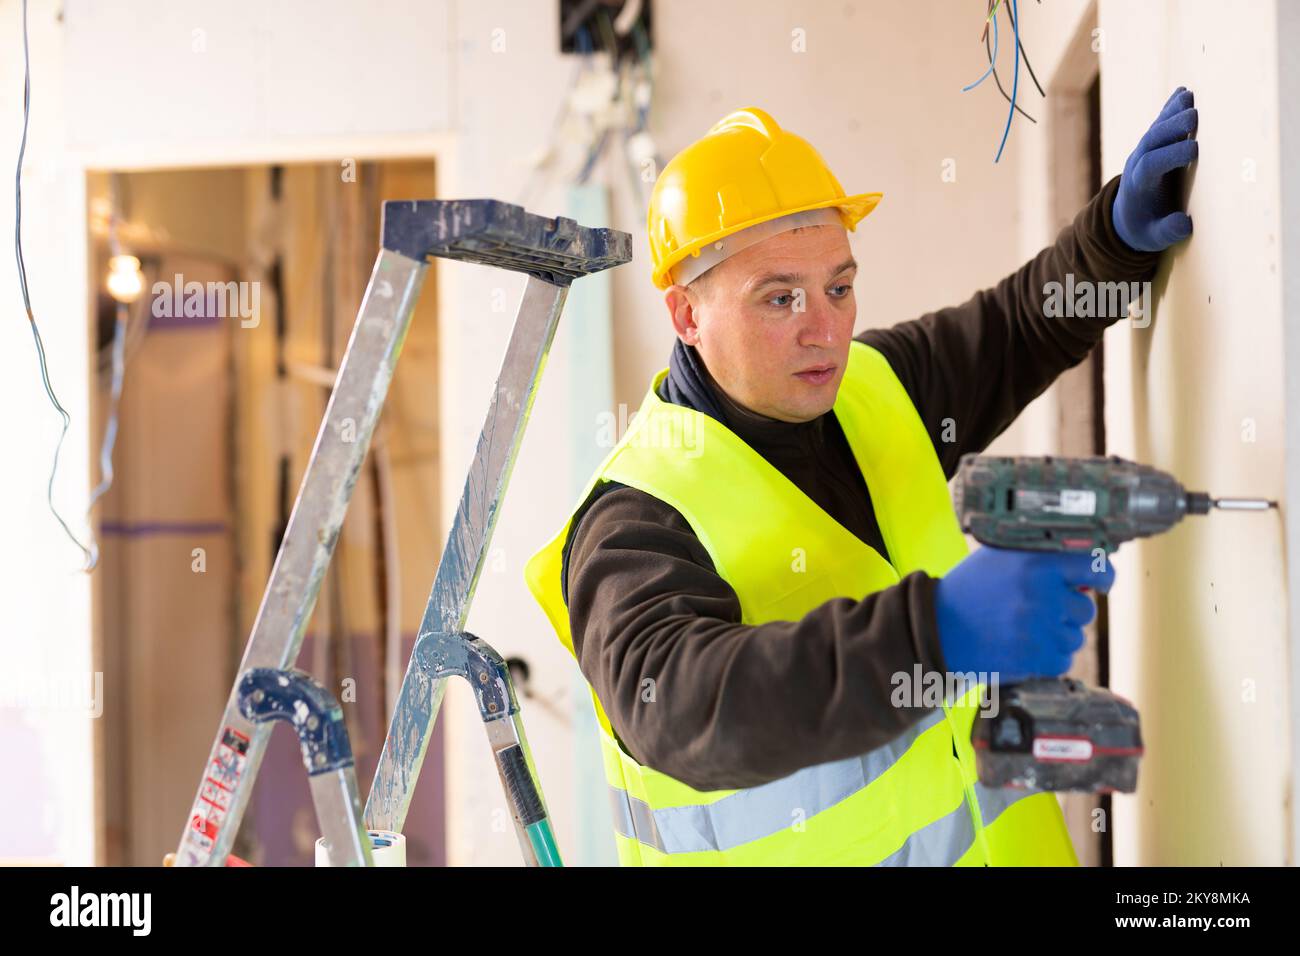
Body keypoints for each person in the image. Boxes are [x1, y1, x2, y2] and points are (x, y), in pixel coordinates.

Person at [526, 90, 1198, 865]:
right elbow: (682, 707)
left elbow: (1016, 328)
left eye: (838, 287)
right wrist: (933, 632)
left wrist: (1111, 242)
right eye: (780, 298)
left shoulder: (878, 388)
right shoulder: (637, 519)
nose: (825, 328)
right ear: (687, 315)